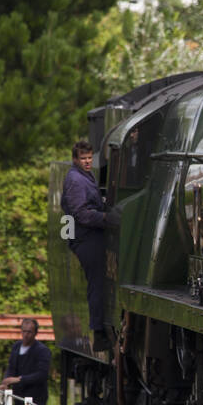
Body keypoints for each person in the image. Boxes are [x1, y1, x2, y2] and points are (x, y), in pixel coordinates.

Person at [61, 141, 120, 351]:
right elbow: (81, 213)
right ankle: (99, 331)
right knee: (96, 283)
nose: (87, 161)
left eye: (89, 158)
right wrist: (107, 217)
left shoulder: (85, 176)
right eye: (83, 158)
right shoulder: (76, 180)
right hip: (86, 238)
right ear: (75, 159)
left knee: (99, 282)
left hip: (91, 235)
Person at [1, 318, 51, 405]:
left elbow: (42, 374)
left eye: (29, 332)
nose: (26, 335)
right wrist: (6, 381)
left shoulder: (42, 351)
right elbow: (11, 367)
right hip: (19, 396)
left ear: (35, 333)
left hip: (36, 397)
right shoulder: (16, 347)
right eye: (24, 331)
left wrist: (19, 379)